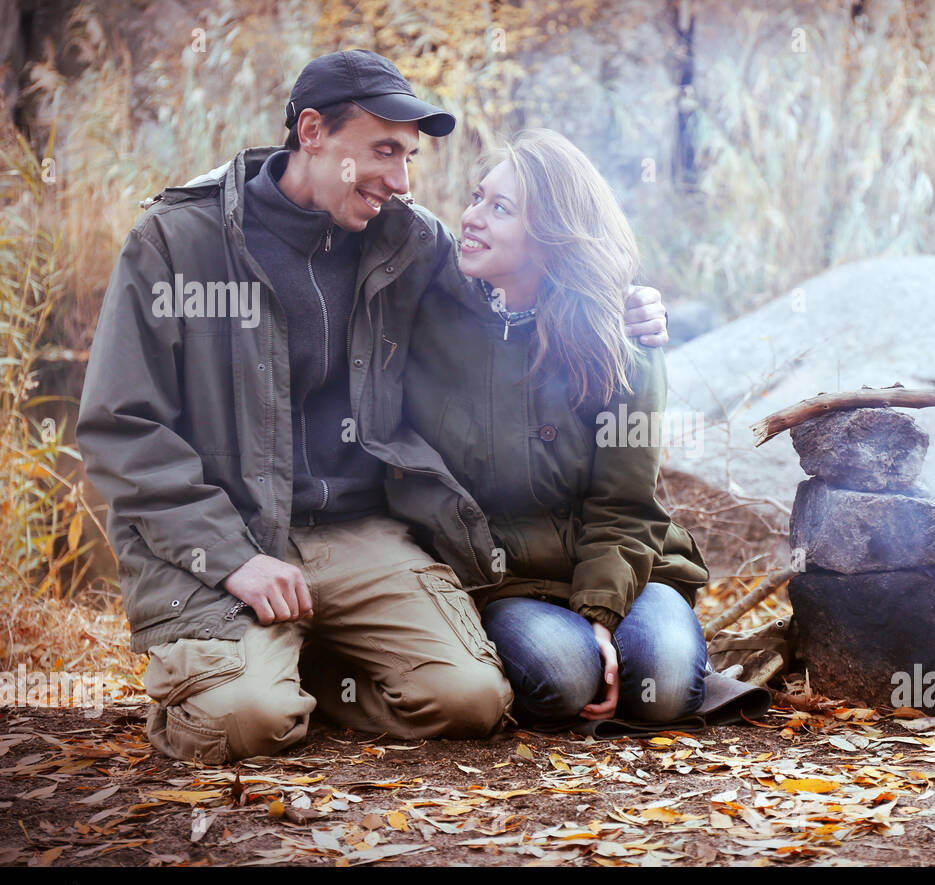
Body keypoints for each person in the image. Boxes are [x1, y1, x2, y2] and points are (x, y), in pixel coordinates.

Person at [75, 51, 670, 763]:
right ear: (313, 131)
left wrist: (624, 304)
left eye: (410, 156)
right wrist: (234, 560)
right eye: (385, 151)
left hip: (357, 533)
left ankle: (309, 666)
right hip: (224, 534)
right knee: (246, 724)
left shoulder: (410, 240)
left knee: (473, 701)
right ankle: (258, 679)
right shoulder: (177, 242)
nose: (402, 180)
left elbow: (522, 284)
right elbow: (120, 428)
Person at [405, 129, 710, 727]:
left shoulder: (621, 338)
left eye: (501, 209)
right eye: (475, 198)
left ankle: (614, 648)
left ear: (552, 237)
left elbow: (625, 502)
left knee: (667, 687)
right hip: (506, 579)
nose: (471, 218)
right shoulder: (430, 313)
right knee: (566, 678)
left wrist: (601, 612)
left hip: (626, 564)